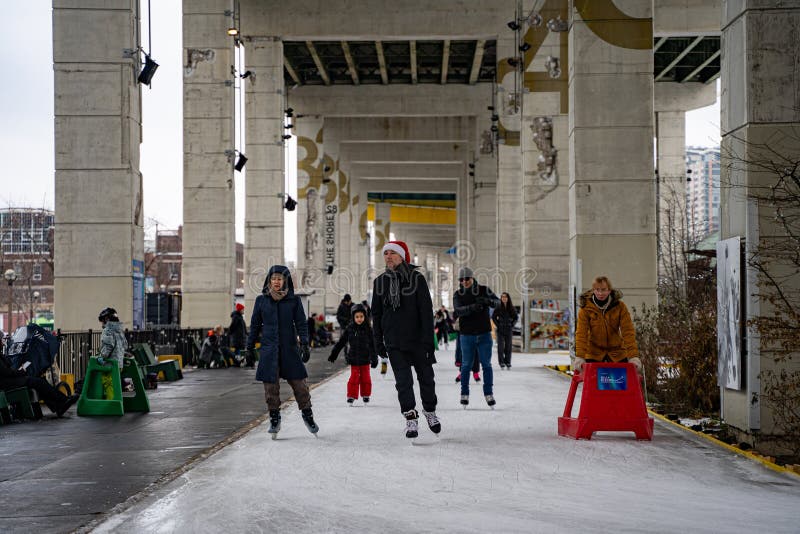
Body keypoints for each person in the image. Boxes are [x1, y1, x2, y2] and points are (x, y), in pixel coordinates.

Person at [372, 240, 441, 438]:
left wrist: (429, 341)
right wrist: (378, 341)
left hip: (418, 340)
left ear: (402, 256)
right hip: (394, 342)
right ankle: (410, 417)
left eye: (393, 253)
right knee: (403, 382)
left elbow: (426, 311)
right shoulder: (380, 282)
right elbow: (376, 315)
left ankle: (430, 411)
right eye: (386, 253)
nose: (388, 257)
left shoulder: (417, 279)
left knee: (427, 380)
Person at [247, 265, 317, 438]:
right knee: (271, 388)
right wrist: (248, 347)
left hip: (289, 350)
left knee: (300, 385)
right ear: (269, 280)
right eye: (274, 278)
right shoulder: (261, 301)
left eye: (280, 279)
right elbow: (255, 325)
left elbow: (301, 323)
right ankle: (274, 418)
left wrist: (305, 344)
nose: (276, 282)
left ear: (285, 280)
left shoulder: (293, 301)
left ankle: (308, 415)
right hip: (269, 350)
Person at [573, 275, 641, 374]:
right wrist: (580, 356)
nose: (600, 293)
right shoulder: (586, 309)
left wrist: (633, 356)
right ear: (593, 290)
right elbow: (581, 334)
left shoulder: (620, 307)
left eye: (604, 290)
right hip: (593, 352)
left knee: (621, 383)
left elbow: (628, 332)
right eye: (597, 290)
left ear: (609, 290)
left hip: (616, 352)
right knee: (593, 385)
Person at [453, 266, 499, 408]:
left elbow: (497, 302)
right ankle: (464, 394)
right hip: (467, 335)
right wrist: (473, 307)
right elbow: (458, 310)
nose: (464, 281)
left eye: (467, 278)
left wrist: (487, 301)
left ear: (472, 278)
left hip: (484, 334)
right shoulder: (458, 294)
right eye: (462, 279)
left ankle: (489, 393)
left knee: (486, 365)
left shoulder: (484, 290)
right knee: (466, 365)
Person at [1, 351, 78, 418]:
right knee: (38, 382)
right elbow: (7, 372)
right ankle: (62, 402)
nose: (2, 342)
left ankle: (59, 404)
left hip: (10, 381)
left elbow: (8, 368)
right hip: (7, 383)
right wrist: (21, 371)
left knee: (40, 381)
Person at [328, 304, 378, 405]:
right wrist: (334, 353)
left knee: (366, 378)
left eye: (361, 317)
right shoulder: (350, 329)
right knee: (354, 377)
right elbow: (341, 342)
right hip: (354, 358)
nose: (359, 319)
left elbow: (373, 345)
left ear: (365, 317)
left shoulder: (368, 329)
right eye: (357, 317)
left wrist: (374, 358)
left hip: (365, 358)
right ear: (353, 317)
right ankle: (351, 395)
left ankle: (366, 395)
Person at [97, 307, 130, 396]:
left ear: (107, 319)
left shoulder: (108, 330)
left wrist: (102, 357)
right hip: (119, 364)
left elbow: (108, 346)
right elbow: (125, 345)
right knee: (116, 384)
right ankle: (117, 401)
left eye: (102, 321)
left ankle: (111, 403)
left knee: (107, 382)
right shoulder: (119, 331)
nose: (102, 324)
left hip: (110, 364)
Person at [492, 292, 518, 369]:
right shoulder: (498, 307)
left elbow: (516, 317)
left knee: (508, 346)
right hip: (500, 329)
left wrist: (512, 324)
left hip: (508, 329)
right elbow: (494, 317)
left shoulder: (511, 308)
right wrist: (498, 324)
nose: (504, 298)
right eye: (502, 297)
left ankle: (508, 362)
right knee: (500, 347)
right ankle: (501, 362)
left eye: (505, 297)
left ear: (508, 298)